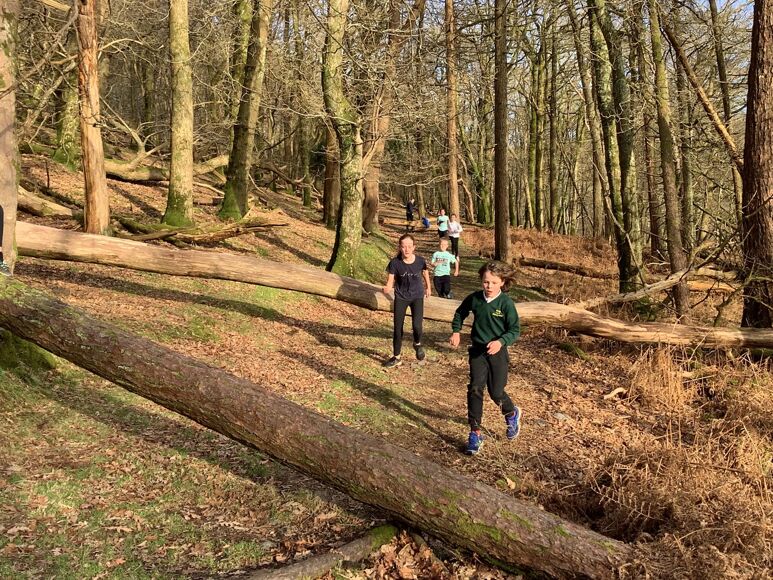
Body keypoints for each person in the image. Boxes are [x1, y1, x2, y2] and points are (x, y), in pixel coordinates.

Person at [449, 261, 521, 455]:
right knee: (475, 388)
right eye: (485, 282)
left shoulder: (506, 304)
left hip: (497, 352)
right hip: (478, 352)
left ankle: (511, 413)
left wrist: (501, 341)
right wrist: (456, 331)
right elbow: (460, 313)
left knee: (496, 392)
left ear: (502, 282)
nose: (488, 286)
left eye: (493, 283)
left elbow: (515, 330)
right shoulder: (474, 298)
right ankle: (475, 432)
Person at [383, 233, 431, 368]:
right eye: (404, 247)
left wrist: (428, 287)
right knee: (398, 328)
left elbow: (425, 272)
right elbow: (390, 280)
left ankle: (417, 343)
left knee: (417, 326)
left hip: (417, 296)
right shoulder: (395, 263)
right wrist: (387, 287)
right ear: (400, 248)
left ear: (414, 247)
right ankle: (397, 357)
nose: (407, 249)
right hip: (401, 296)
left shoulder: (420, 261)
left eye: (409, 246)